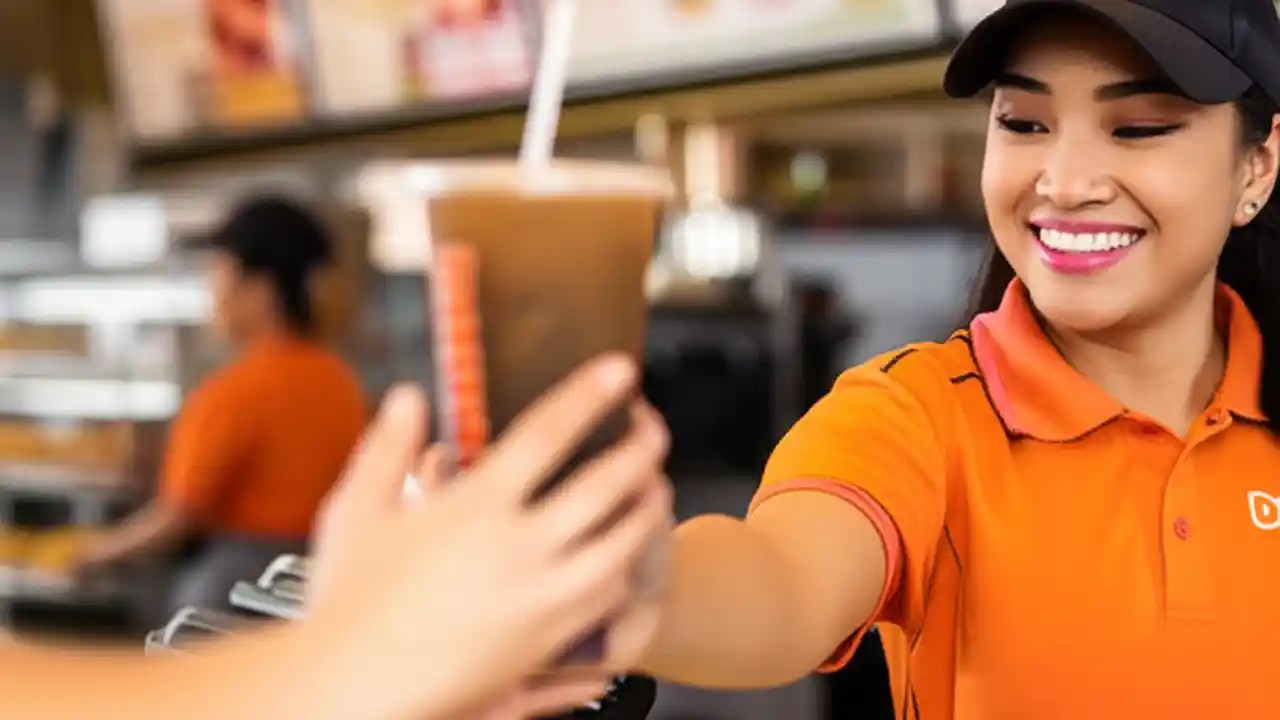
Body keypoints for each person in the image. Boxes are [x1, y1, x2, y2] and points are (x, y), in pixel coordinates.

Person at [621, 1, 1280, 718]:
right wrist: (605, 587)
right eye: (1024, 123)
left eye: (1139, 128)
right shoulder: (916, 416)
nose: (1064, 182)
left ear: (1257, 166)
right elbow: (779, 589)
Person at [2, 355, 673, 719]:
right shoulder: (330, 377)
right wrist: (339, 666)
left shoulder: (233, 392)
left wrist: (346, 666)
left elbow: (179, 513)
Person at [75, 196, 367, 615]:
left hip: (233, 592)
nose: (211, 291)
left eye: (218, 273)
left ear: (260, 288)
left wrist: (93, 553)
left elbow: (177, 517)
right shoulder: (341, 383)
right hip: (314, 587)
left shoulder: (235, 392)